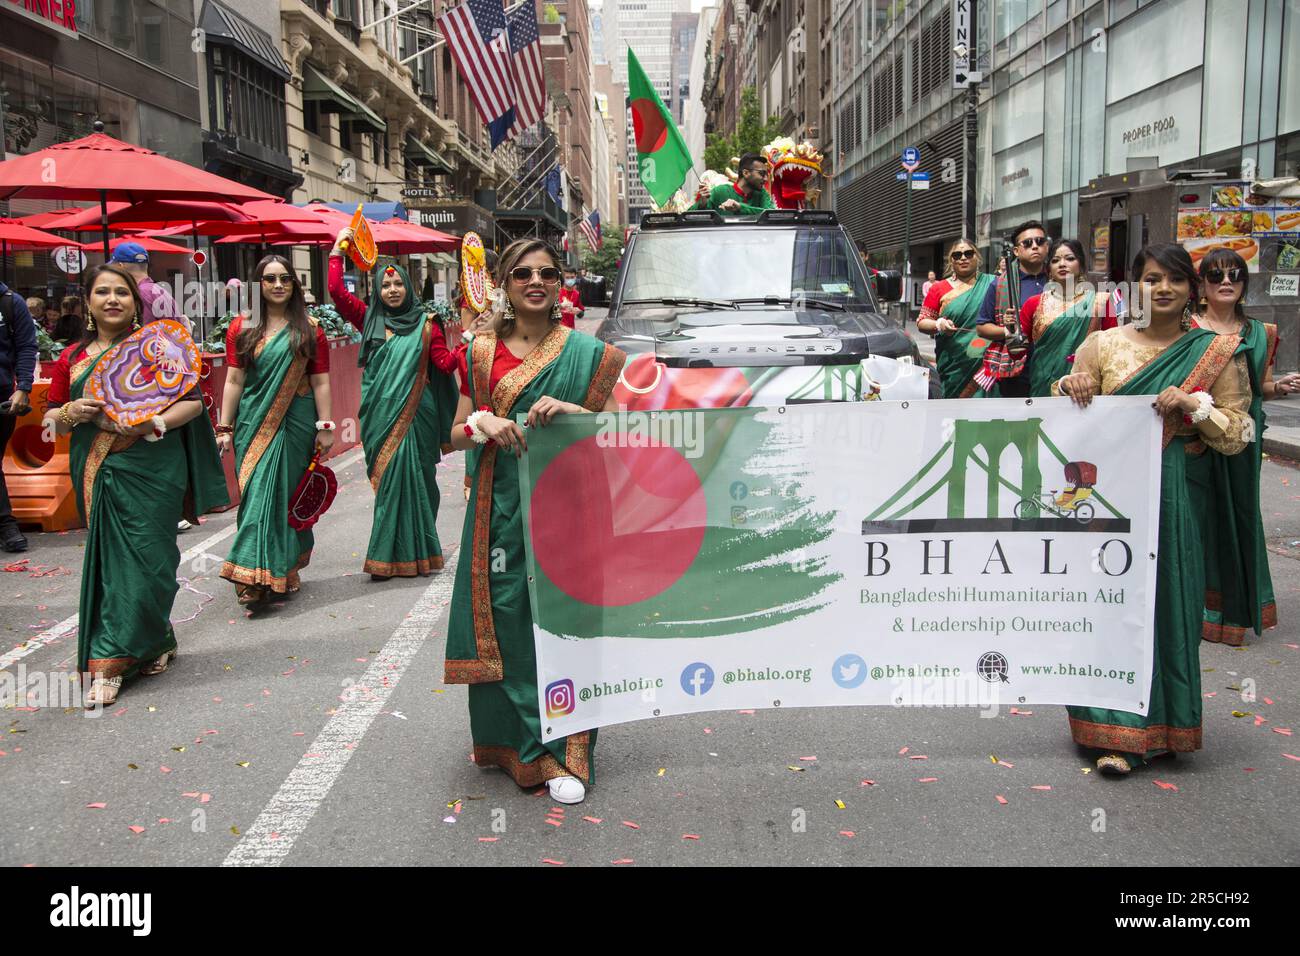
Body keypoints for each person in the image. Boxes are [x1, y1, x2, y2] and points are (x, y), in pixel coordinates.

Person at [1055, 243, 1251, 774]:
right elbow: (1066, 421)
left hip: (1177, 496)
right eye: (1151, 279)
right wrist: (1069, 384)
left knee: (1169, 605)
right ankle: (1112, 733)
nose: (1163, 288)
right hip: (1110, 496)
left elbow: (1240, 433)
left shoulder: (1216, 351)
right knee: (1106, 603)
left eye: (1175, 280)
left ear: (1193, 289)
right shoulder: (1102, 345)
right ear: (1134, 286)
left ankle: (1164, 726)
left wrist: (1195, 406)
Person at [444, 238, 625, 805]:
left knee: (560, 620)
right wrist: (483, 423)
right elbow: (452, 435)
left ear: (561, 281)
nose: (535, 281)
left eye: (547, 272)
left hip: (565, 508)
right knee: (504, 620)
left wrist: (576, 413)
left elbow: (618, 430)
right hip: (496, 510)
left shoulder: (585, 352)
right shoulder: (477, 350)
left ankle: (565, 752)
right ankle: (511, 744)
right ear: (504, 281)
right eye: (522, 273)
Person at [41, 264, 227, 706]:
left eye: (121, 293)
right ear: (87, 302)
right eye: (101, 292)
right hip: (101, 470)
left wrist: (153, 423)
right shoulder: (72, 359)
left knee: (153, 563)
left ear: (135, 301)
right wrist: (70, 413)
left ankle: (153, 638)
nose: (112, 300)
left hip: (156, 467)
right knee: (115, 568)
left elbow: (194, 406)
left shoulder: (158, 348)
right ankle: (112, 659)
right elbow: (51, 423)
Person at [328, 227, 460, 579]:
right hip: (380, 417)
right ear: (377, 291)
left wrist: (472, 340)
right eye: (385, 286)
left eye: (398, 284)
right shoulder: (369, 319)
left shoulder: (428, 324)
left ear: (409, 287)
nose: (392, 290)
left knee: (421, 480)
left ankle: (420, 552)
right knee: (389, 483)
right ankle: (386, 556)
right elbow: (337, 292)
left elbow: (445, 364)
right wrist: (337, 252)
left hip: (419, 414)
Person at [1193, 249, 1298, 646]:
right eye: (1216, 275)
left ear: (1243, 284)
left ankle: (1235, 610)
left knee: (1239, 517)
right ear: (1201, 285)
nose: (1225, 282)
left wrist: (1279, 388)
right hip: (1195, 434)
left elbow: (1260, 387)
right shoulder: (1188, 328)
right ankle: (1199, 607)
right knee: (1201, 518)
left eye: (1234, 276)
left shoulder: (1261, 332)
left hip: (1243, 437)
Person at [216, 256, 334, 609]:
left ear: (294, 285)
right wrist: (224, 426)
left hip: (297, 422)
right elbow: (235, 380)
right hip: (253, 422)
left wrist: (326, 426)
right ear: (259, 286)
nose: (278, 285)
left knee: (285, 497)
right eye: (270, 279)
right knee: (256, 496)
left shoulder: (310, 328)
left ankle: (274, 572)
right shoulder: (242, 327)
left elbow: (321, 381)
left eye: (285, 279)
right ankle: (253, 571)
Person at [1017, 239, 1116, 396]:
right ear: (1049, 269)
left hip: (1086, 386)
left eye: (1070, 258)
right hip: (1043, 386)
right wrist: (1011, 336)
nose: (1062, 264)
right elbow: (1018, 352)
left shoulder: (1100, 302)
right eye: (1055, 260)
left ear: (1081, 265)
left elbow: (1112, 350)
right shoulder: (1034, 304)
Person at [977, 220, 1051, 397]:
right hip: (1016, 372)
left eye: (1040, 242)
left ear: (1047, 247)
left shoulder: (1060, 280)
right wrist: (1010, 330)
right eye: (1027, 243)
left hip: (1054, 368)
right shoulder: (1001, 284)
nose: (1035, 247)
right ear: (1017, 251)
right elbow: (982, 327)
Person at [916, 239, 996, 398]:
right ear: (951, 261)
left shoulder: (993, 283)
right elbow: (922, 321)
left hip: (988, 363)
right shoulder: (939, 288)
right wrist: (939, 324)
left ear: (977, 257)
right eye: (957, 255)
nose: (963, 258)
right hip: (954, 365)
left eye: (968, 253)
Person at [0, 281, 38, 553]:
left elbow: (26, 346)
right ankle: (5, 523)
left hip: (2, 396)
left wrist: (24, 387)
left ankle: (5, 524)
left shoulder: (11, 302)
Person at [107, 242, 192, 334]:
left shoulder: (141, 294)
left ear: (120, 266)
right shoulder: (160, 291)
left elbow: (143, 337)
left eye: (114, 268)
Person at [693, 153, 775, 216]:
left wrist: (740, 207)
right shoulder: (720, 192)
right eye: (762, 174)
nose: (765, 179)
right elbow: (691, 218)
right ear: (746, 173)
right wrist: (702, 204)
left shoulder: (762, 194)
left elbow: (771, 214)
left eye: (766, 175)